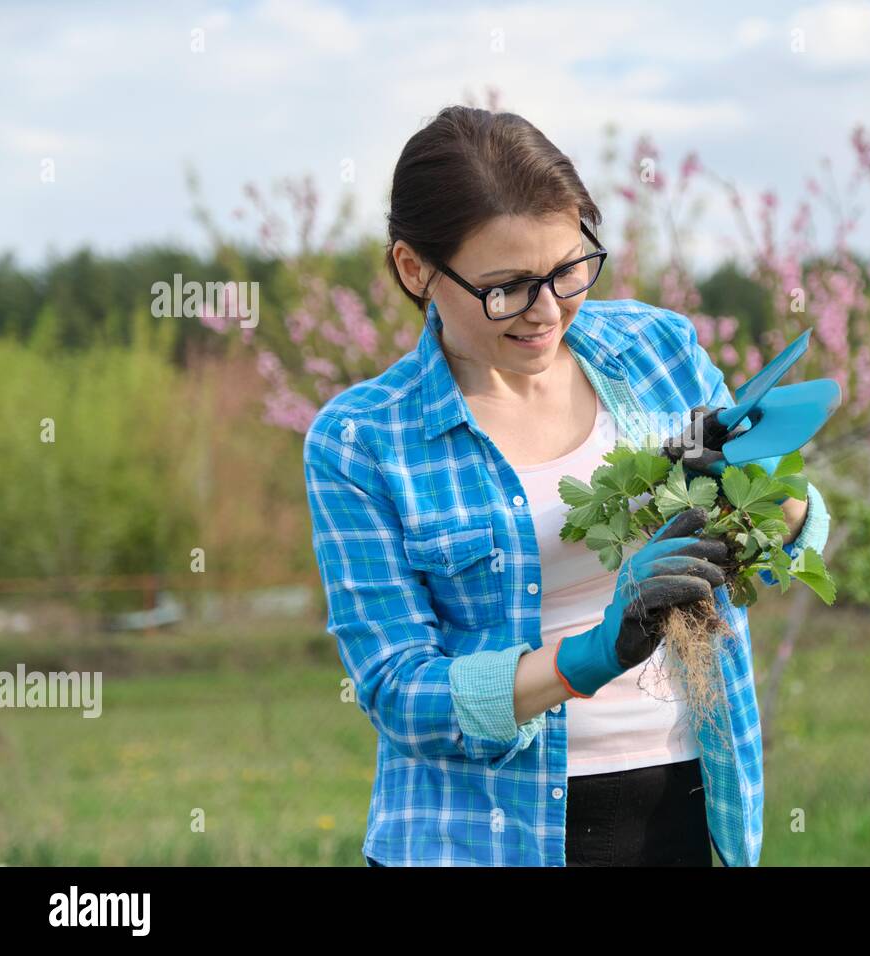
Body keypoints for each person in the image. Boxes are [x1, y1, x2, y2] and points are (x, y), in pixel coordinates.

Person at [303, 105, 831, 867]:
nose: (547, 311)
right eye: (508, 286)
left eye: (567, 269)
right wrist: (589, 656)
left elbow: (790, 538)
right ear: (415, 269)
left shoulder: (655, 350)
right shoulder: (362, 441)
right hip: (473, 839)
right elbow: (399, 691)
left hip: (679, 814)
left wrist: (757, 492)